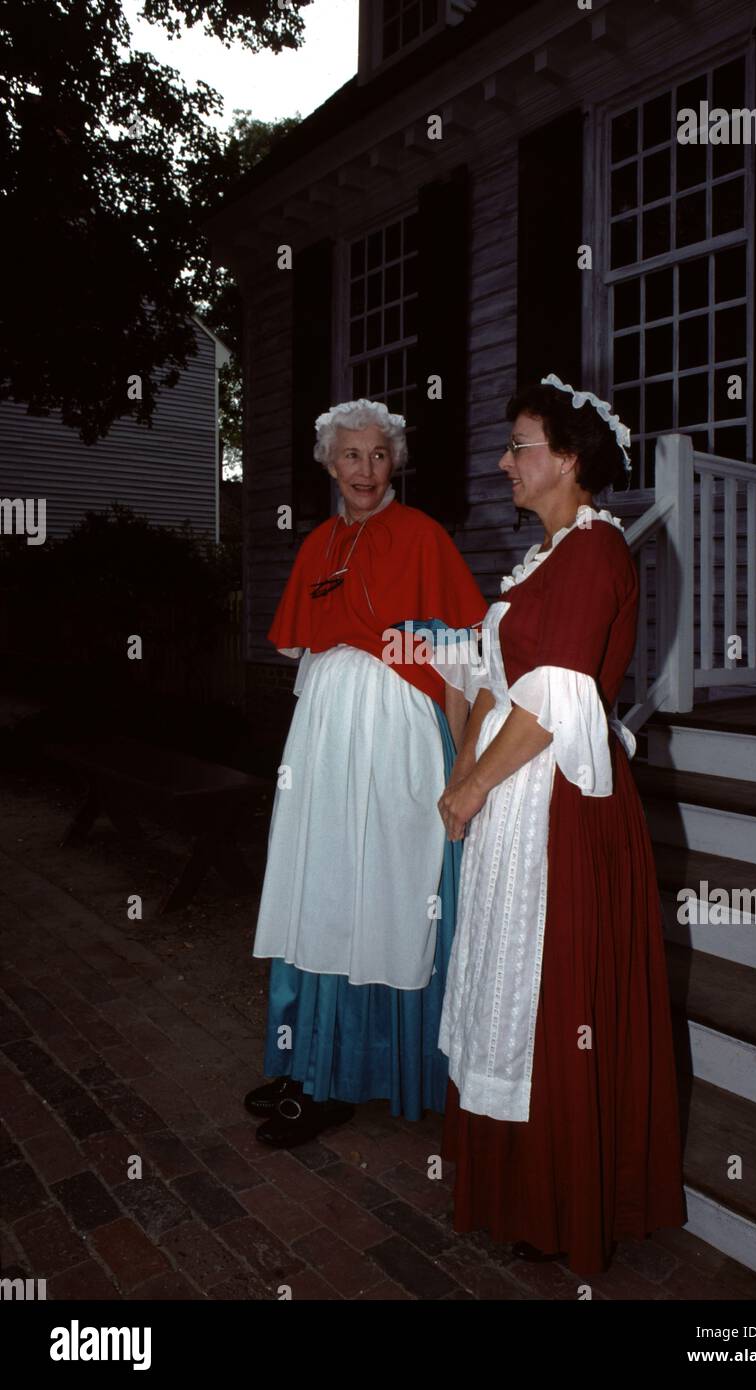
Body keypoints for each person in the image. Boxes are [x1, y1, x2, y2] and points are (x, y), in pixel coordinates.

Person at [435, 373, 686, 1274]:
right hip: (513, 806)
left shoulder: (595, 555)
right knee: (510, 992)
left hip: (564, 817)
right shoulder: (540, 562)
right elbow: (486, 685)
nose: (505, 462)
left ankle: (562, 1199)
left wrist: (471, 792)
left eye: (520, 446)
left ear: (568, 461)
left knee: (558, 1002)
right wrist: (460, 777)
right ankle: (513, 1189)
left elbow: (557, 701)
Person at [244, 398, 487, 1148]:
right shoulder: (317, 542)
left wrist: (458, 767)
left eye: (379, 455)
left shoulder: (424, 537)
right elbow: (307, 653)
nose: (365, 469)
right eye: (351, 455)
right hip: (324, 737)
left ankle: (365, 1072)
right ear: (329, 462)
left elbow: (462, 668)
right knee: (322, 883)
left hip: (398, 739)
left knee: (388, 890)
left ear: (395, 463)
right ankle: (310, 1060)